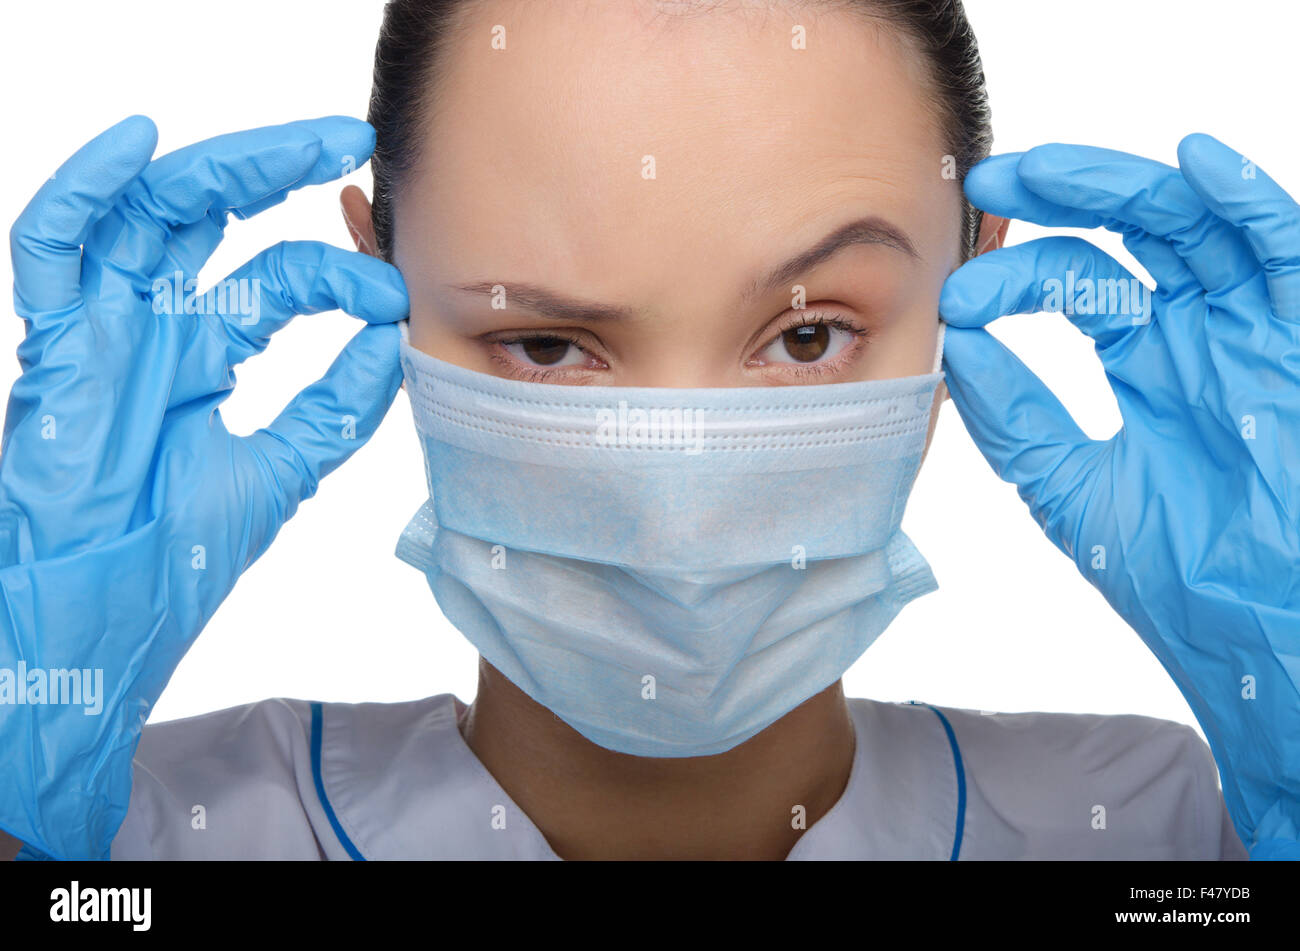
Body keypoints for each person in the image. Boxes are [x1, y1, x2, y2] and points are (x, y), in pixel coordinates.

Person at [2, 0, 1296, 861]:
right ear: (376, 278)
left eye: (804, 335)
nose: (677, 491)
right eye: (550, 344)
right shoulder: (147, 845)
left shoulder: (1169, 838)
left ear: (973, 282)